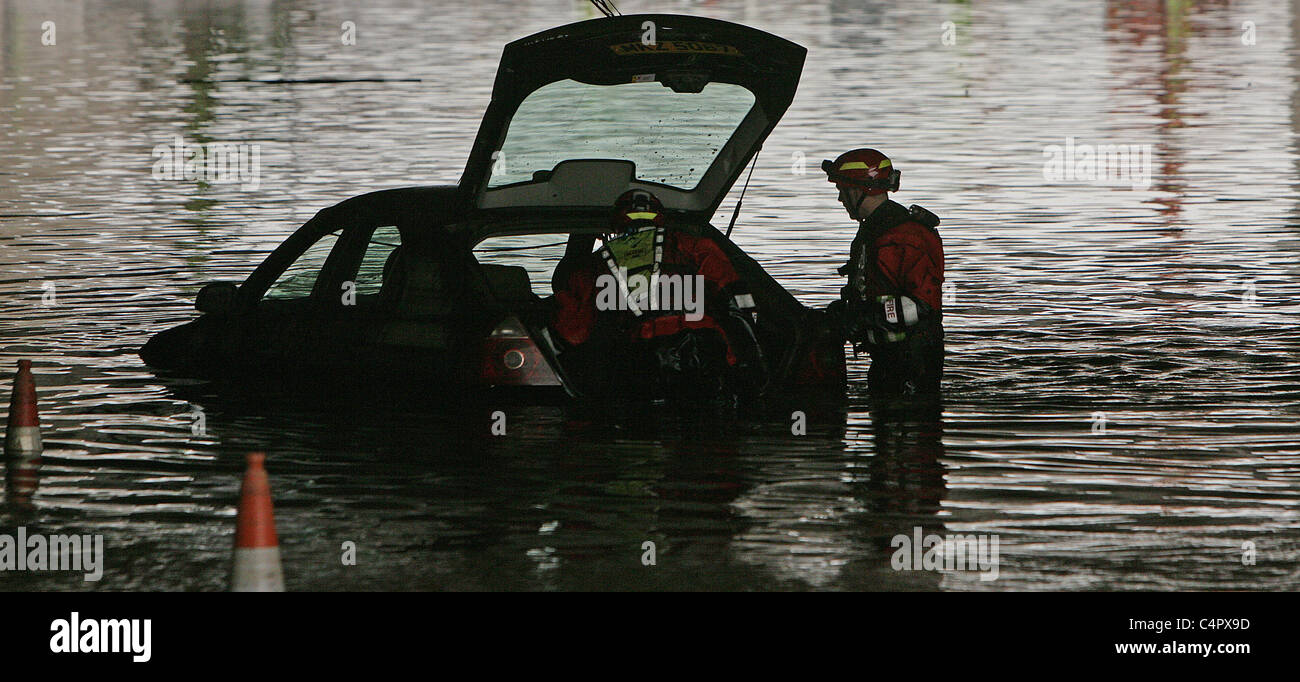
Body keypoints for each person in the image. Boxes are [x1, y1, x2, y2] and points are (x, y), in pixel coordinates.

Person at [551, 189, 764, 401]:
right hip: (703, 360)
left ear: (615, 224)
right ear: (661, 219)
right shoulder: (696, 248)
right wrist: (750, 366)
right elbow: (739, 305)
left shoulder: (594, 267)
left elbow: (573, 330)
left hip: (640, 368)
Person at [822, 148, 944, 396]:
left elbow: (922, 306)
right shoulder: (874, 230)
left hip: (912, 363)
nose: (840, 200)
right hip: (887, 360)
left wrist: (865, 318)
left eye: (842, 191)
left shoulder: (907, 236)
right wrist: (846, 312)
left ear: (858, 189)